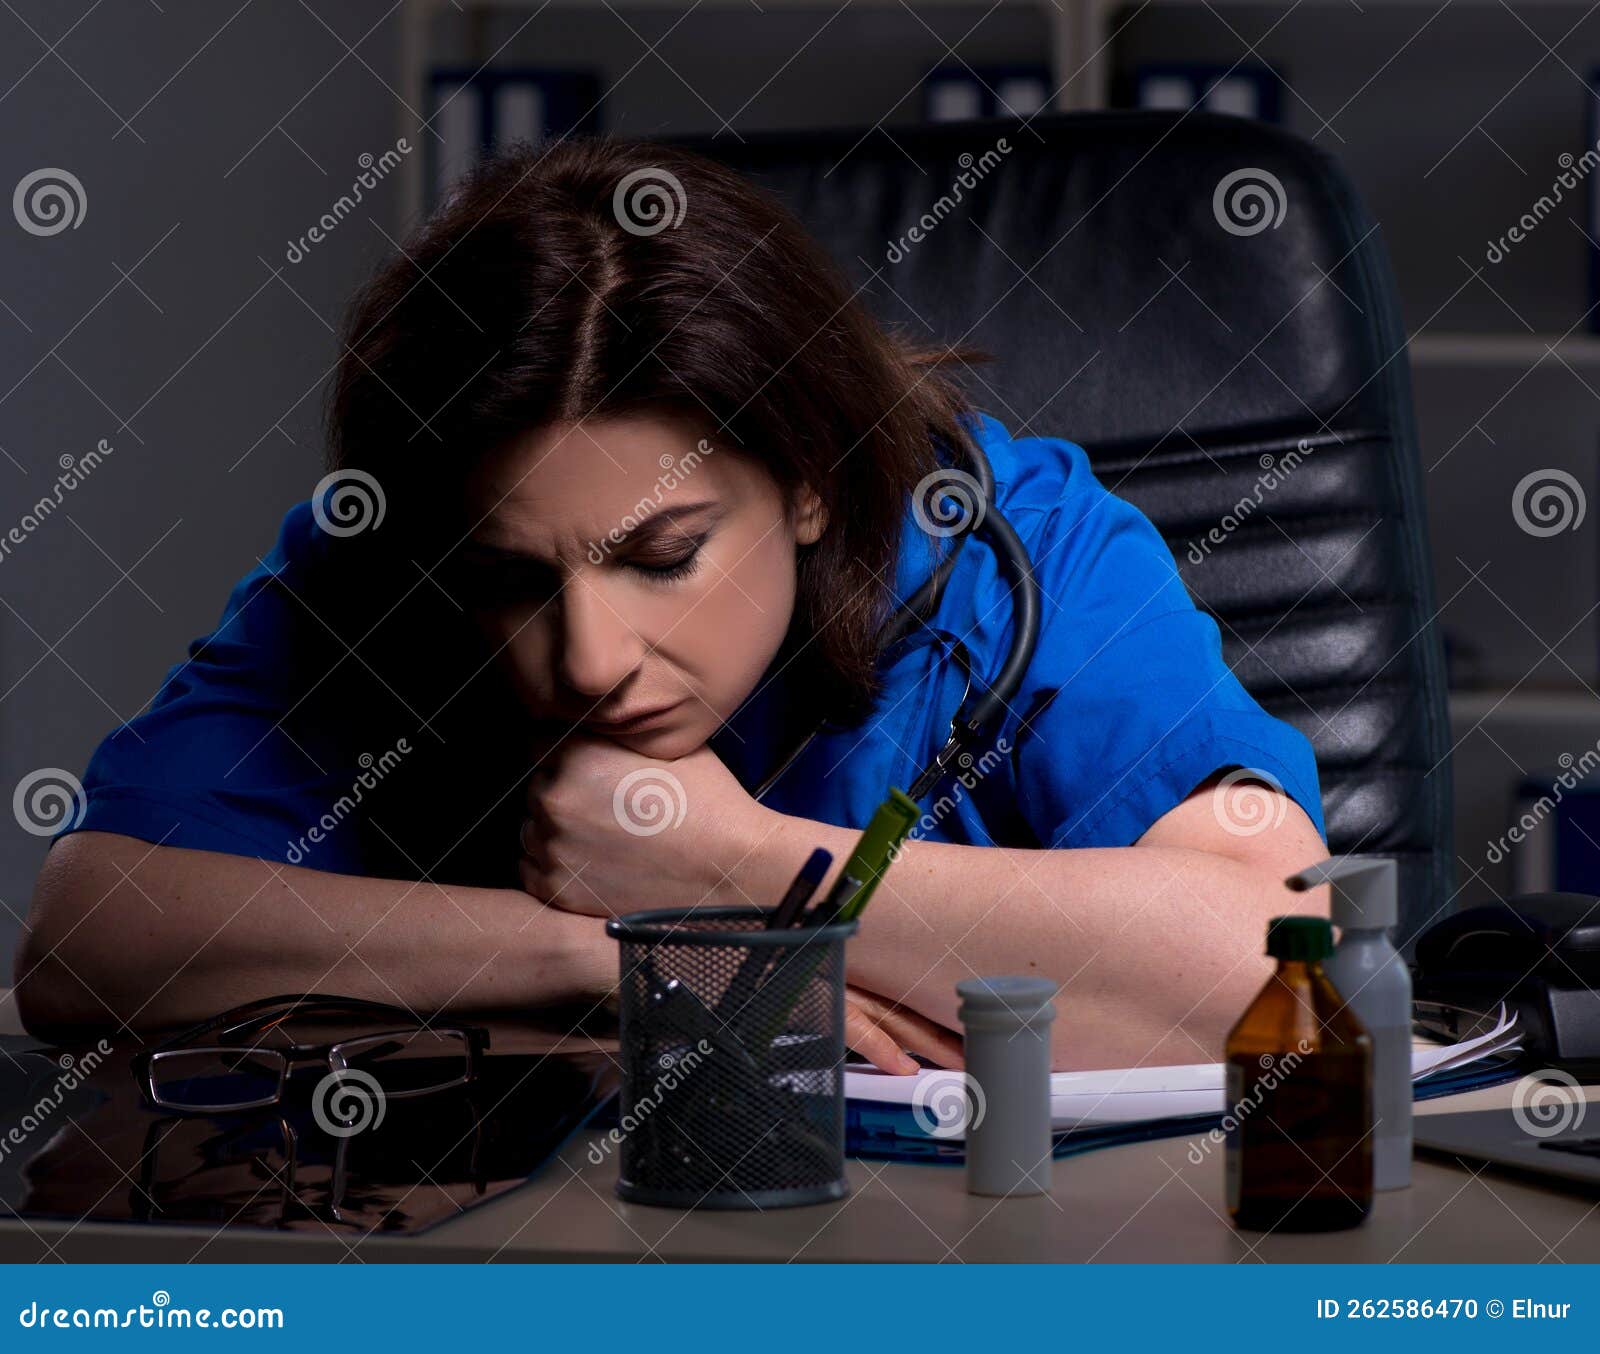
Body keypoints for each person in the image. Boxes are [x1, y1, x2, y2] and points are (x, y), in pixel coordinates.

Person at [15, 138, 1329, 1072]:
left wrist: (727, 865)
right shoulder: (391, 558)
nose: (587, 660)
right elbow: (88, 940)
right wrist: (611, 955)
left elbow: (1280, 967)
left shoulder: (1018, 550)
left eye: (664, 555)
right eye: (511, 581)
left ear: (810, 479)